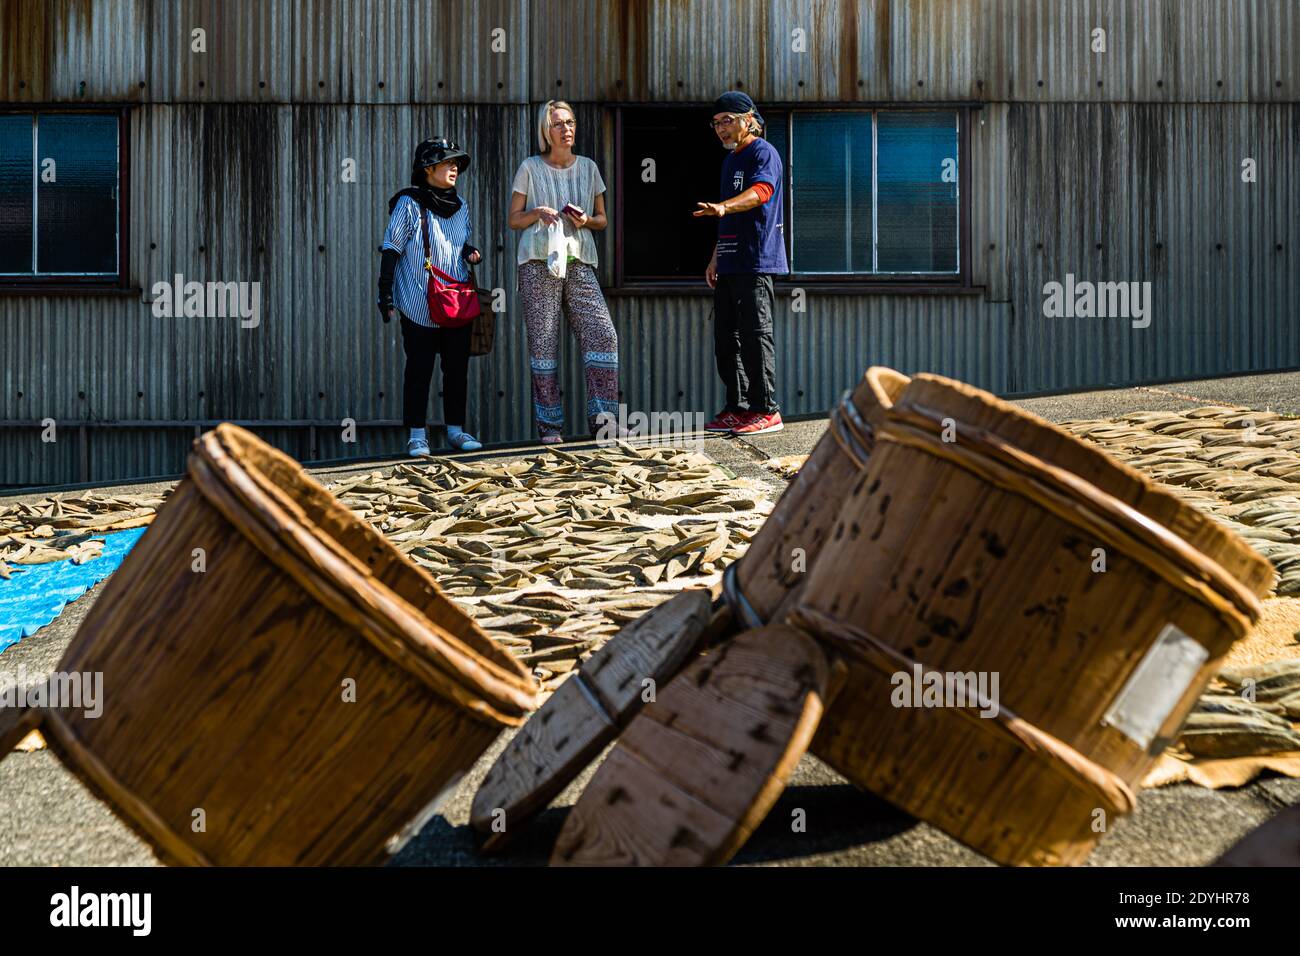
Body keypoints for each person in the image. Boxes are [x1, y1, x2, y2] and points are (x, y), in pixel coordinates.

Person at [507, 100, 618, 444]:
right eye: (558, 124)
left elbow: (602, 220)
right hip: (538, 261)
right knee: (544, 344)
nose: (566, 129)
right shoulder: (529, 167)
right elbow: (513, 219)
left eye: (569, 123)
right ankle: (550, 428)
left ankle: (605, 424)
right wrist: (536, 211)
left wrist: (586, 220)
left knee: (603, 335)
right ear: (546, 131)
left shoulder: (588, 167)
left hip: (579, 259)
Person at [377, 138, 484, 456]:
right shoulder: (408, 203)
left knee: (456, 369)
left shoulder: (461, 204)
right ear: (427, 169)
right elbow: (391, 247)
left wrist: (469, 250)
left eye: (456, 164)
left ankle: (456, 431)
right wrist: (385, 293)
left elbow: (458, 241)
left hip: (455, 300)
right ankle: (417, 435)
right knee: (419, 369)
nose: (454, 168)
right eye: (447, 162)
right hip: (418, 301)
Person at [694, 91, 787, 435]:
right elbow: (728, 215)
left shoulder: (763, 152)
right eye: (716, 123)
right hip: (730, 262)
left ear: (749, 119)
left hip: (755, 259)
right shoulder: (731, 159)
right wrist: (716, 256)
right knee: (726, 338)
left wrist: (723, 207)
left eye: (728, 120)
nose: (721, 128)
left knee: (754, 334)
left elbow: (761, 192)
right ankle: (739, 407)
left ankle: (767, 410)